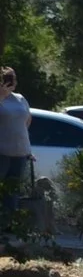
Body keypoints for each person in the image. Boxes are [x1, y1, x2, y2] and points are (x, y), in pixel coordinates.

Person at [0, 66, 31, 231]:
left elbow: (27, 121)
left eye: (13, 80)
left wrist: (28, 149)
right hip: (2, 152)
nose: (12, 83)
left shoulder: (20, 99)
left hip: (20, 152)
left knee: (13, 191)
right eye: (7, 80)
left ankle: (9, 226)